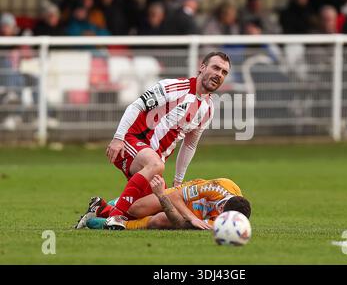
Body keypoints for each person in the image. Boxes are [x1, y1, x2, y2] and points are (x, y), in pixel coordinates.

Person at [103, 52, 231, 229]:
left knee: (148, 208)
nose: (219, 74)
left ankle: (101, 211)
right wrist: (118, 138)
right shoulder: (174, 87)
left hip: (152, 162)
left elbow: (190, 144)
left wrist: (178, 182)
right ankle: (116, 217)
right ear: (202, 67)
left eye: (224, 72)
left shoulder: (208, 109)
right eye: (216, 68)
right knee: (157, 165)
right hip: (131, 141)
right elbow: (136, 106)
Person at [77, 176, 251, 231]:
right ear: (221, 207)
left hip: (195, 212)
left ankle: (117, 223)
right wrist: (191, 217)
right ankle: (106, 208)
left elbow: (181, 225)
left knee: (160, 221)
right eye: (222, 216)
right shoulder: (218, 187)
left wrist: (189, 220)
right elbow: (176, 197)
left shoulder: (229, 222)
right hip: (184, 196)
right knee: (137, 209)